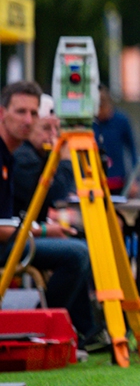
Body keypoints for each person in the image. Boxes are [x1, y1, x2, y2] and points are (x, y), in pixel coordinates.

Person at [0, 82, 97, 351]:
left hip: (12, 237)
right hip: (7, 244)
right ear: (1, 113)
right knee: (76, 253)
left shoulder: (9, 156)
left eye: (33, 114)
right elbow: (52, 195)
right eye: (21, 112)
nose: (28, 120)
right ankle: (43, 329)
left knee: (80, 245)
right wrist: (44, 230)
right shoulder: (22, 158)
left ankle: (82, 330)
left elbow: (9, 221)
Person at [12, 95, 76, 223]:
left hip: (32, 227)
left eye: (57, 129)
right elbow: (58, 195)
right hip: (21, 234)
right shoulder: (23, 157)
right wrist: (66, 160)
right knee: (79, 243)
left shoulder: (39, 155)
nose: (53, 135)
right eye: (46, 128)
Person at [94, 83, 138, 195]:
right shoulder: (91, 124)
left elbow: (132, 150)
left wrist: (134, 180)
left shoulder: (121, 121)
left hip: (117, 181)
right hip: (95, 182)